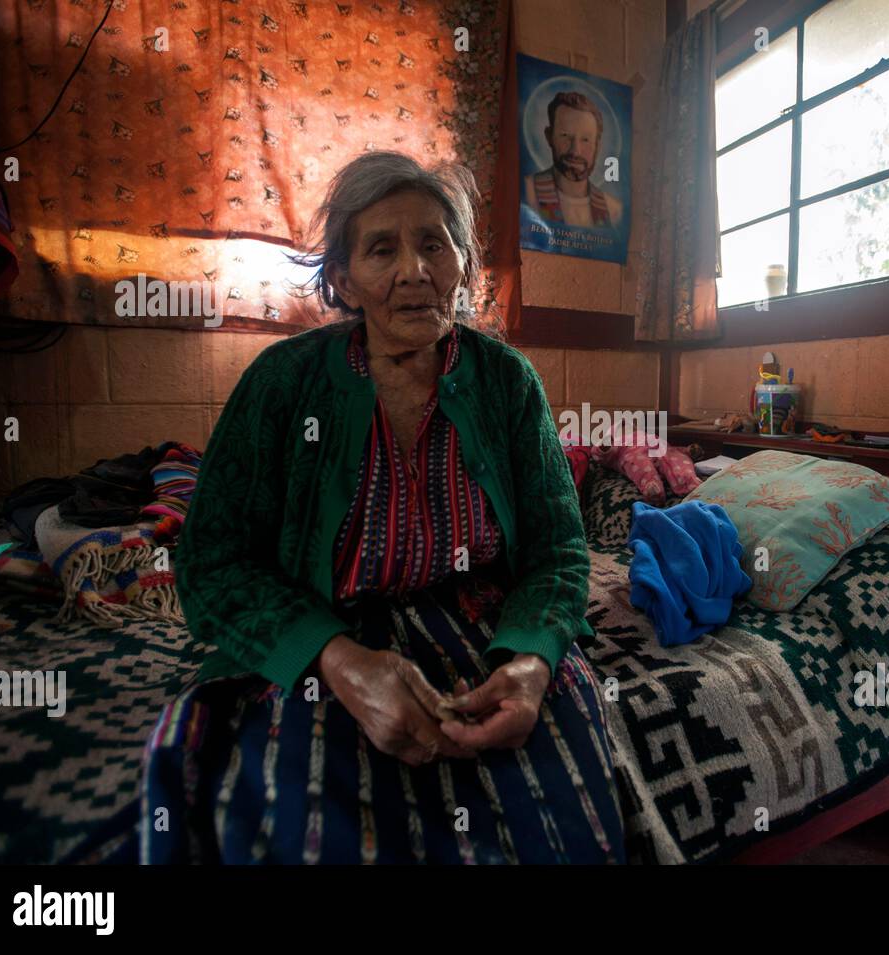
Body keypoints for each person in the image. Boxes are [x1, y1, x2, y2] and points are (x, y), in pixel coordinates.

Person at [144, 151, 624, 864]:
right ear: (342, 279)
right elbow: (212, 559)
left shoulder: (507, 382)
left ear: (461, 260)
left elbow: (558, 545)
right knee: (308, 820)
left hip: (486, 619)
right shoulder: (283, 383)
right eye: (381, 248)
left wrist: (528, 662)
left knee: (566, 804)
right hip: (330, 628)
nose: (414, 270)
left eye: (434, 242)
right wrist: (338, 661)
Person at [523, 91, 624, 229]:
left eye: (586, 140)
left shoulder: (613, 210)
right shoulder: (526, 191)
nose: (575, 151)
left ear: (597, 146)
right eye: (565, 136)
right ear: (549, 136)